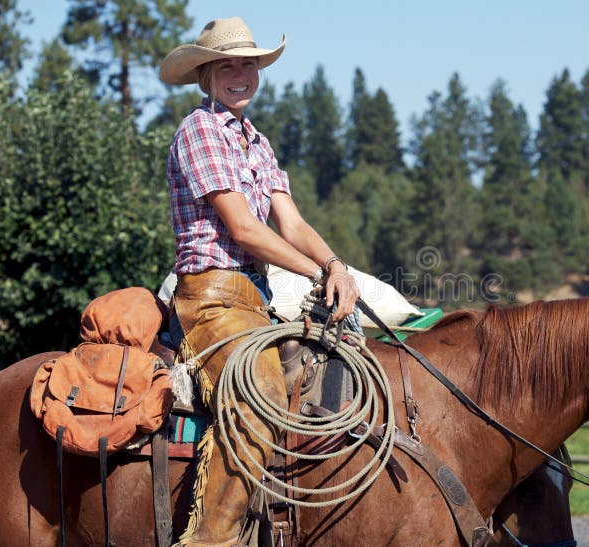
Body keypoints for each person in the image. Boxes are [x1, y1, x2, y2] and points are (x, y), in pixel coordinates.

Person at [159, 16, 359, 546]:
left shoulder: (256, 143)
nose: (241, 75)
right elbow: (245, 229)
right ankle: (210, 540)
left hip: (255, 302)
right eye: (228, 66)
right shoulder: (200, 130)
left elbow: (290, 223)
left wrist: (336, 266)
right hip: (210, 301)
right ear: (206, 76)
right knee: (260, 395)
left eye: (249, 65)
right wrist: (316, 273)